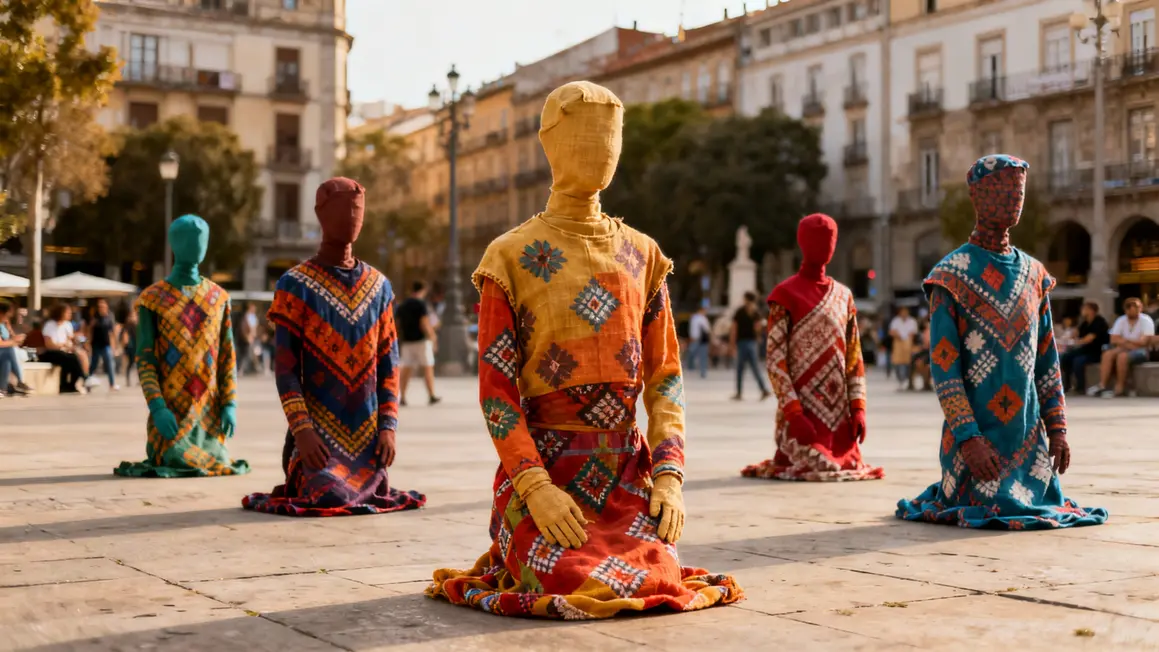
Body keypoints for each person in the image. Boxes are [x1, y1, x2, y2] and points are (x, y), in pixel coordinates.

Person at [427, 81, 741, 619]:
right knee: (565, 576)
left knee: (657, 576)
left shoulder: (644, 255)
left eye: (609, 139)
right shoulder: (509, 257)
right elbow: (497, 393)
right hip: (544, 475)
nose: (600, 152)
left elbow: (666, 376)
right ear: (550, 143)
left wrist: (669, 477)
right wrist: (535, 488)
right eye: (583, 137)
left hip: (626, 478)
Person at [896, 154, 1107, 530]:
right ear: (976, 196)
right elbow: (944, 368)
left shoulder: (1035, 275)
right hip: (976, 449)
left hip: (1028, 449)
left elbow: (1047, 361)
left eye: (1019, 191)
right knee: (993, 503)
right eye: (1001, 190)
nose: (1013, 199)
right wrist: (968, 438)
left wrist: (1057, 429)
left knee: (1034, 506)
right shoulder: (949, 276)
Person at [243, 178, 426, 516]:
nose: (352, 217)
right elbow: (285, 370)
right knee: (329, 494)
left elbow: (389, 363)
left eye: (358, 210)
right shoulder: (294, 285)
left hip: (367, 443)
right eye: (343, 210)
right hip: (317, 442)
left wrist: (388, 428)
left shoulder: (380, 287)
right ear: (321, 214)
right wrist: (302, 432)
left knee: (367, 492)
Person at [741, 213, 883, 482]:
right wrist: (794, 414)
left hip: (840, 424)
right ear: (803, 243)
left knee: (842, 465)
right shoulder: (785, 295)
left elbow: (854, 358)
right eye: (817, 240)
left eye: (830, 240)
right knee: (820, 464)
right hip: (802, 420)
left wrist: (858, 408)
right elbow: (775, 361)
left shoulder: (844, 296)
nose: (825, 246)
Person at [114, 215, 249, 478]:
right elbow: (145, 358)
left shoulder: (219, 298)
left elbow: (227, 356)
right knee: (175, 457)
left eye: (200, 240)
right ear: (174, 244)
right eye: (187, 240)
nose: (195, 246)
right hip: (171, 416)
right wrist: (157, 407)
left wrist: (230, 403)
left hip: (209, 418)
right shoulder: (153, 299)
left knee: (218, 459)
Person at [1087, 298, 1156, 398]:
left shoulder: (1146, 320)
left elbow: (1143, 342)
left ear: (1140, 308)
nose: (1132, 310)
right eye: (1129, 308)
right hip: (1125, 348)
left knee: (1122, 356)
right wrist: (1130, 343)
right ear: (1125, 310)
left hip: (1142, 351)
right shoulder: (1121, 320)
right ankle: (1102, 385)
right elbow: (1113, 339)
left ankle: (1120, 388)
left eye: (1136, 307)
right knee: (1107, 354)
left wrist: (1124, 341)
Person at [395, 280, 441, 406]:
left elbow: (397, 324)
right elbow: (424, 322)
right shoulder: (421, 304)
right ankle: (431, 395)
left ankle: (402, 397)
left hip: (407, 341)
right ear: (423, 290)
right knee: (427, 368)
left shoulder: (403, 305)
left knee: (406, 369)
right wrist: (433, 337)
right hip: (421, 341)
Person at [1060, 302, 1108, 394]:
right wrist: (1072, 335)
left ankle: (1080, 387)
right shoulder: (1085, 323)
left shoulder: (1099, 322)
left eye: (1085, 309)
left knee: (1078, 361)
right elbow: (1077, 334)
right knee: (1066, 357)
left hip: (1096, 351)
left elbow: (1089, 338)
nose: (1082, 311)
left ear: (1092, 311)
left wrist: (1075, 342)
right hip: (1085, 350)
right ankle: (1067, 385)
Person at [731, 291, 771, 401]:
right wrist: (758, 337)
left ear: (746, 299)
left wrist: (732, 343)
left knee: (740, 368)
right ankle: (763, 390)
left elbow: (734, 328)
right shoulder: (756, 312)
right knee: (755, 367)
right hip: (752, 343)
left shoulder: (740, 311)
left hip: (742, 342)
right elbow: (758, 327)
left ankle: (739, 393)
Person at [40, 304, 87, 394]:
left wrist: (73, 344)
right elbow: (48, 344)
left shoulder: (67, 325)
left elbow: (70, 339)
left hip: (64, 351)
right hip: (52, 352)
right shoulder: (50, 325)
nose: (70, 314)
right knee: (67, 358)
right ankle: (83, 378)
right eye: (67, 312)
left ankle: (71, 384)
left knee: (72, 357)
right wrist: (62, 345)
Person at [86, 298, 120, 391]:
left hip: (106, 345)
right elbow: (90, 331)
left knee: (109, 364)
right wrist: (88, 343)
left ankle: (112, 384)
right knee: (93, 364)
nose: (101, 308)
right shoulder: (94, 317)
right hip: (96, 345)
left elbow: (112, 333)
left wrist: (115, 346)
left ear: (106, 307)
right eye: (100, 306)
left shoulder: (109, 318)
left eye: (103, 306)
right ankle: (87, 382)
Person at [0, 301, 32, 398]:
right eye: (7, 314)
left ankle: (3, 389)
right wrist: (14, 342)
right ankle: (19, 381)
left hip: (6, 352)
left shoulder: (5, 323)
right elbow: (1, 343)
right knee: (9, 351)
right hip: (4, 350)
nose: (9, 316)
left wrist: (15, 337)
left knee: (7, 360)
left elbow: (12, 338)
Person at [888, 306, 918, 390]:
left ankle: (906, 380)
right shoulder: (895, 321)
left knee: (907, 363)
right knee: (898, 363)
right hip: (898, 344)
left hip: (908, 344)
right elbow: (891, 331)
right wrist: (898, 335)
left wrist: (908, 338)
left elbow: (914, 332)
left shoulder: (912, 321)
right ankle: (900, 380)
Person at [685, 305, 711, 379]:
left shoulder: (693, 318)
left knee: (691, 353)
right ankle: (702, 371)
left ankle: (691, 368)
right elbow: (707, 329)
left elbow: (691, 329)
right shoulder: (703, 318)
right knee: (702, 356)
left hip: (694, 339)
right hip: (701, 340)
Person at [910, 318, 932, 391]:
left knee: (922, 364)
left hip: (930, 352)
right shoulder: (922, 333)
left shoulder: (932, 331)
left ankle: (926, 383)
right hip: (924, 351)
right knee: (913, 360)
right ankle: (911, 383)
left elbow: (929, 344)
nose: (927, 324)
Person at [238, 302, 260, 375]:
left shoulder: (253, 316)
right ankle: (242, 369)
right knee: (247, 354)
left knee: (254, 353)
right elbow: (244, 328)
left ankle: (256, 368)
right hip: (248, 338)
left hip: (254, 338)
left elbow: (255, 327)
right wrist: (247, 337)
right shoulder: (246, 317)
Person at [121, 308, 138, 387]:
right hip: (130, 346)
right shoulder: (127, 325)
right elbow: (124, 335)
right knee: (131, 363)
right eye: (132, 316)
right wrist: (125, 345)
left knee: (136, 363)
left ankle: (138, 380)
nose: (133, 317)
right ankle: (128, 380)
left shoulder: (137, 324)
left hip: (136, 345)